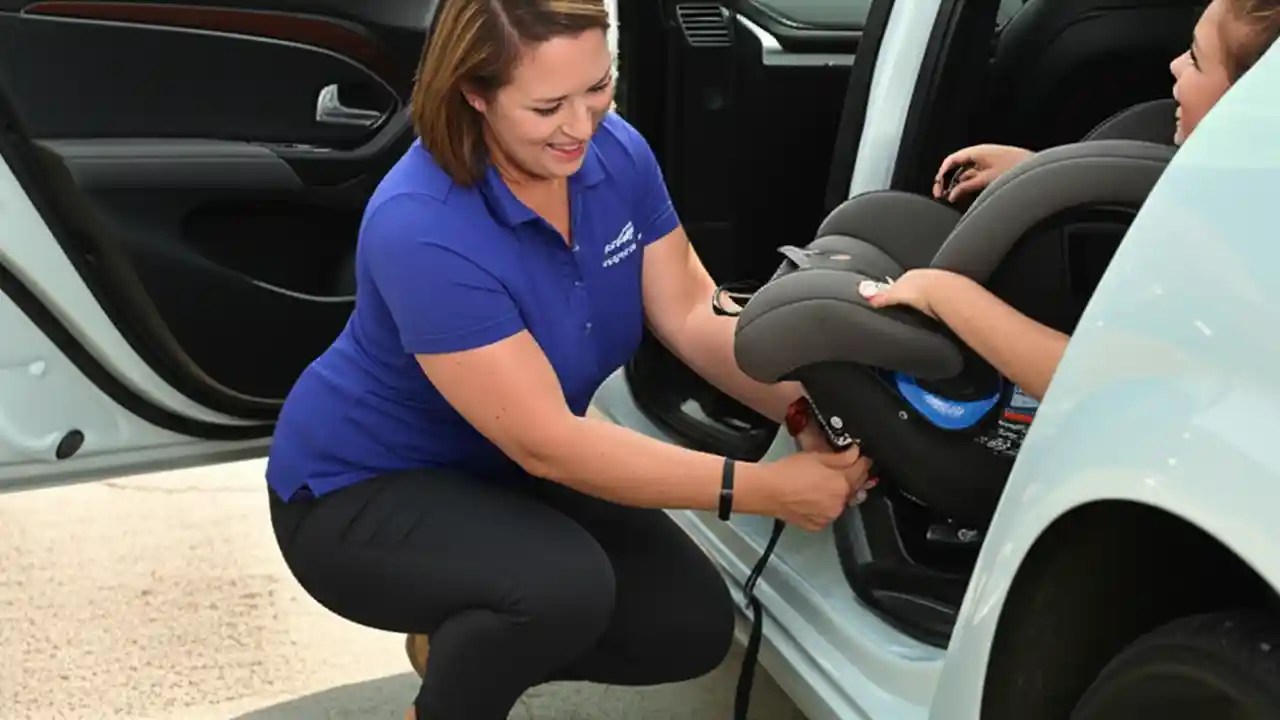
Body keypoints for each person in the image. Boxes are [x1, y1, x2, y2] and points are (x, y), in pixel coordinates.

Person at [263, 1, 874, 719]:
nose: (582, 126)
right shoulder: (421, 225)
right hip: (362, 490)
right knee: (561, 590)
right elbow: (549, 442)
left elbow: (687, 309)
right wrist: (766, 489)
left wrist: (803, 404)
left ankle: (465, 641)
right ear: (475, 91)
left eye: (599, 87)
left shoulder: (613, 155)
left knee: (690, 626)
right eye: (548, 105)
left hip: (506, 473)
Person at [866, 0, 1280, 403]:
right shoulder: (1235, 209)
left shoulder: (1233, 257)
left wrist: (942, 293)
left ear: (1246, 110)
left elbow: (1098, 381)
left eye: (1195, 58)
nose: (1175, 64)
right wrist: (1041, 174)